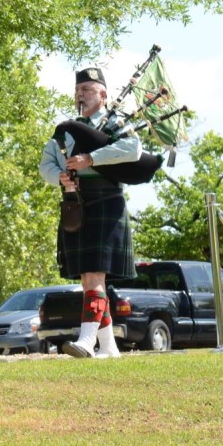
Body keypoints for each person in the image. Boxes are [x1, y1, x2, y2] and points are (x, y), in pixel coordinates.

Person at [38, 67, 141, 359]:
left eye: (88, 89)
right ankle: (109, 346)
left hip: (107, 201)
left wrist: (91, 158)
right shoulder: (67, 129)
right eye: (78, 89)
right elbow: (46, 163)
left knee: (94, 275)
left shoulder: (117, 123)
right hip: (76, 204)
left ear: (104, 94)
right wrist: (59, 177)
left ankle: (86, 341)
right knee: (90, 279)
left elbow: (132, 149)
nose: (81, 94)